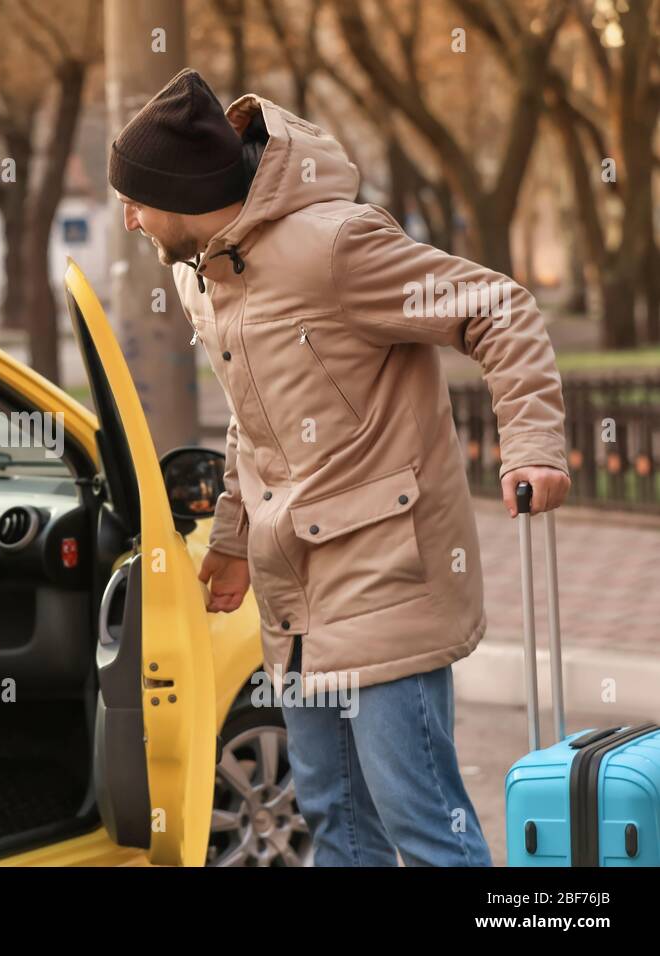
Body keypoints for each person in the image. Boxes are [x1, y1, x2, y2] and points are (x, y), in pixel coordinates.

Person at [108, 68, 571, 866]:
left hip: (386, 577)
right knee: (334, 822)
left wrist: (532, 446)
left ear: (181, 192)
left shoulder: (335, 246)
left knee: (422, 826)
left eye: (136, 199)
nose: (127, 219)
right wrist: (228, 540)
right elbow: (254, 421)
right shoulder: (203, 281)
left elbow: (498, 310)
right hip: (298, 594)